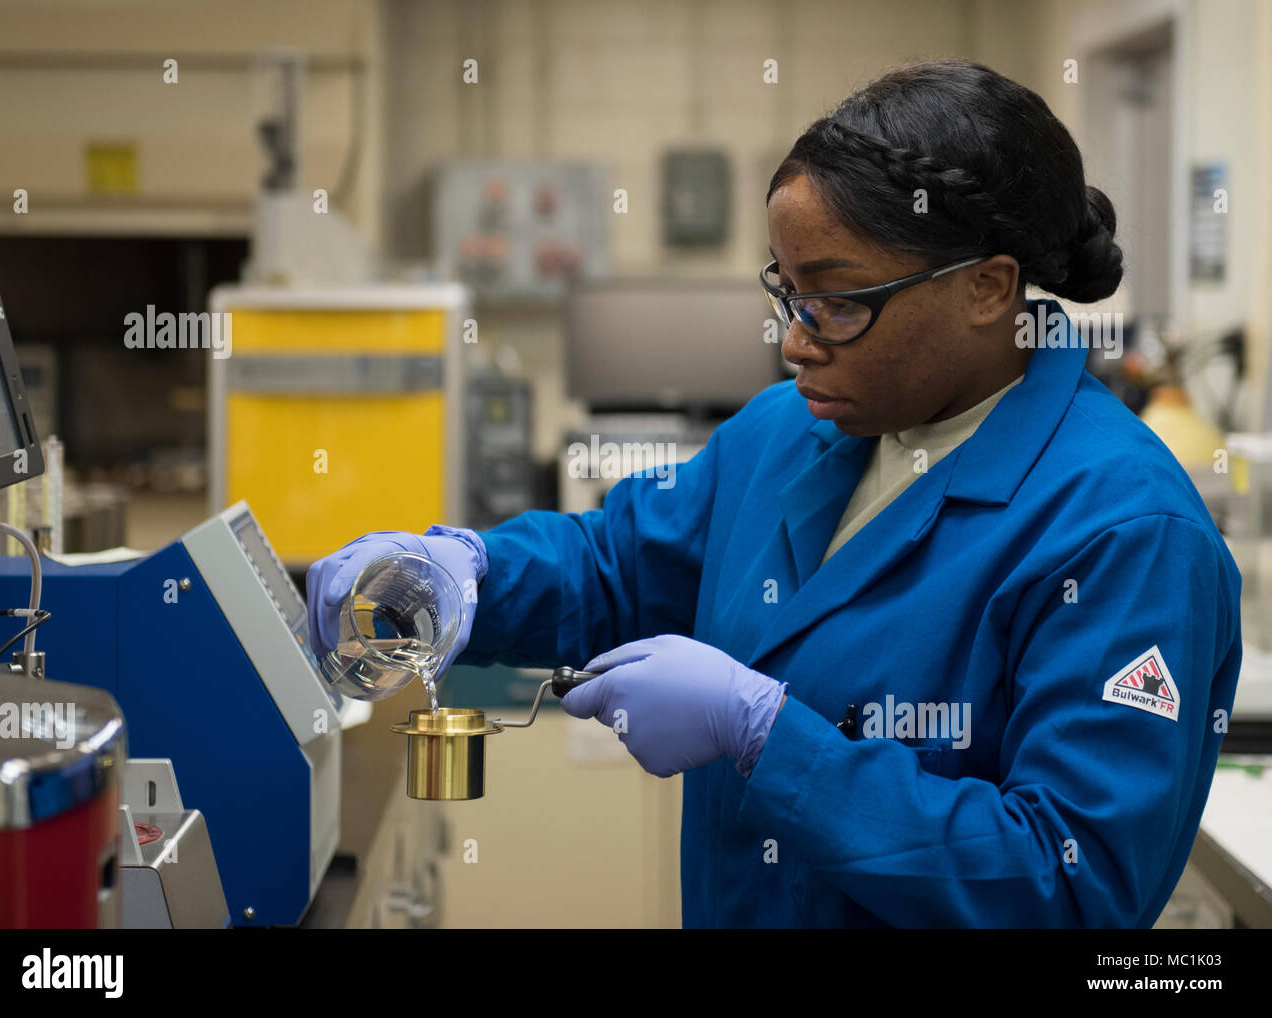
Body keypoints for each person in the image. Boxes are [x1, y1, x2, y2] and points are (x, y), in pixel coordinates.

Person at [307, 59, 1241, 928]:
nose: (797, 341)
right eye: (786, 292)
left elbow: (1070, 880)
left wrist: (769, 741)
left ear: (989, 289)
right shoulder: (792, 430)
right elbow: (618, 563)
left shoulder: (1121, 530)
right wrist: (464, 571)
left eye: (839, 301)